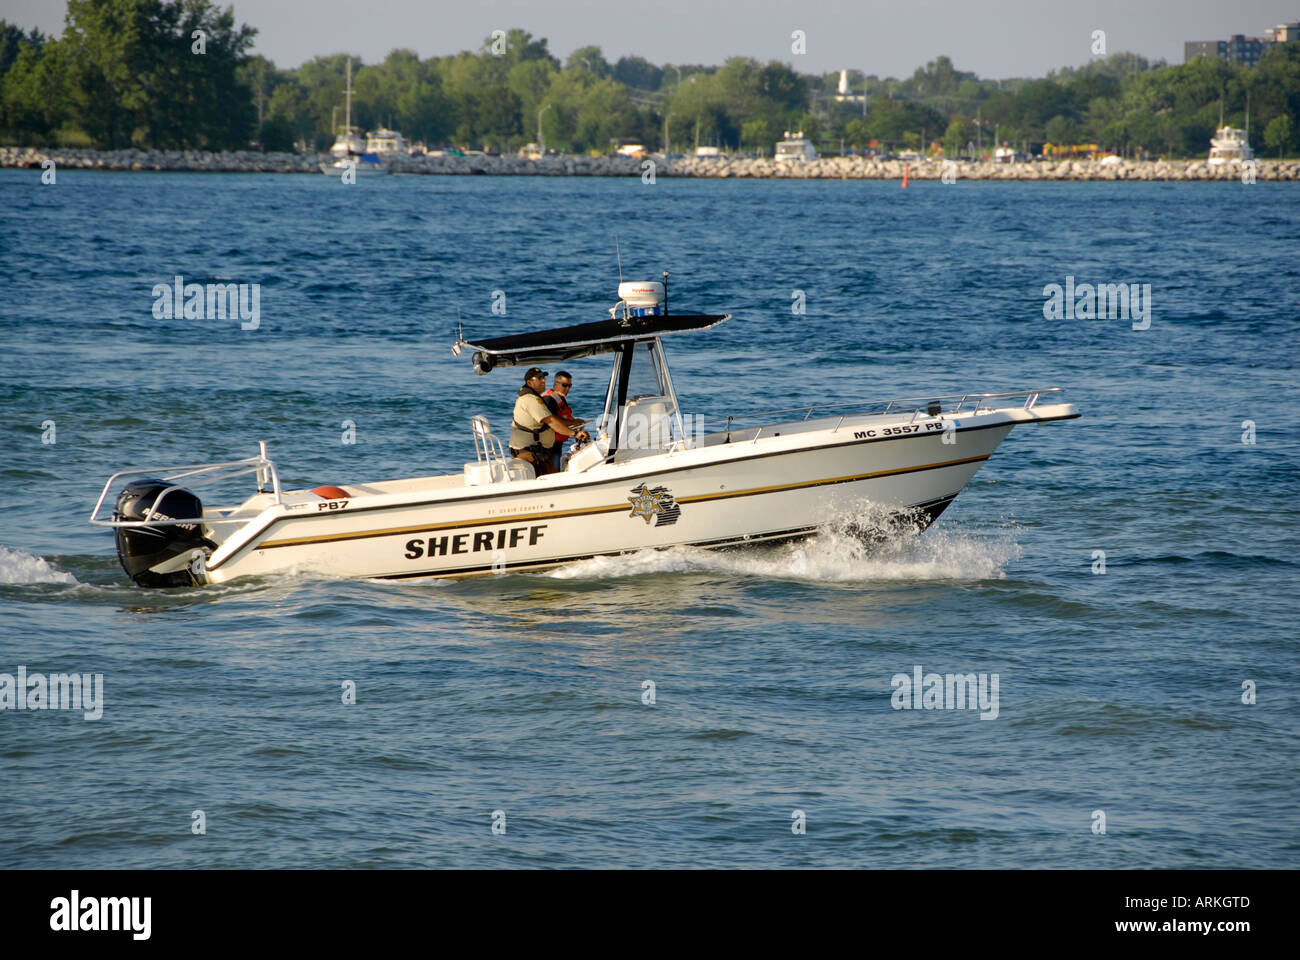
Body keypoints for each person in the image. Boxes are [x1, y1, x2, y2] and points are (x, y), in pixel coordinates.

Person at [509, 368, 589, 475]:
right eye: (539, 378)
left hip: (539, 450)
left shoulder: (533, 398)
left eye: (544, 378)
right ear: (529, 382)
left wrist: (573, 424)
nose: (544, 381)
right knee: (550, 478)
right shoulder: (532, 399)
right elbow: (551, 421)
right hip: (531, 451)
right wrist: (575, 433)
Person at [542, 370, 585, 472]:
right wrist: (574, 425)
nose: (567, 389)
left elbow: (564, 418)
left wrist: (577, 425)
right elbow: (554, 421)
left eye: (570, 386)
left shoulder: (560, 398)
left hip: (558, 444)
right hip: (549, 446)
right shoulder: (549, 400)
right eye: (564, 385)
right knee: (553, 472)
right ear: (555, 384)